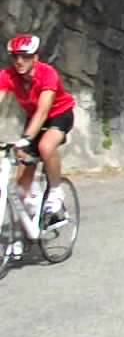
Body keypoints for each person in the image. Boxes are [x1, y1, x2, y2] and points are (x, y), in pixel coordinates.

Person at [0, 34, 75, 220]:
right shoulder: (8, 75)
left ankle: (56, 191)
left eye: (25, 56)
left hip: (59, 114)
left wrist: (26, 139)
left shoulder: (47, 73)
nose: (19, 61)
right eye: (15, 56)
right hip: (34, 117)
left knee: (45, 146)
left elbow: (43, 110)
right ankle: (32, 208)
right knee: (20, 183)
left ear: (35, 57)